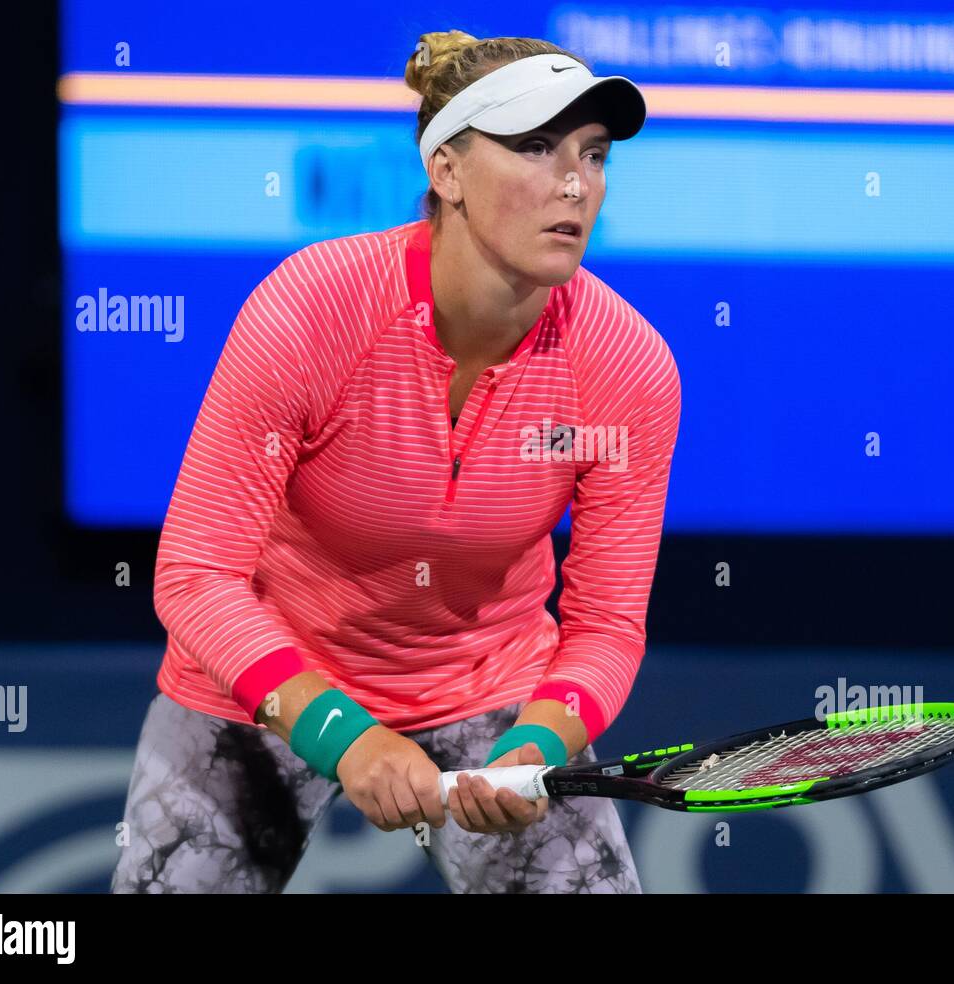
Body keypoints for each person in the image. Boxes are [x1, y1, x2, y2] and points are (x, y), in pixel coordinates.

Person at [110, 30, 681, 894]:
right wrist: (343, 733)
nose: (576, 182)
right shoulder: (311, 311)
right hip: (266, 674)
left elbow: (606, 625)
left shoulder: (627, 366)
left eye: (593, 154)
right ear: (446, 172)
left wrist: (537, 745)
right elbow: (196, 576)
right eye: (534, 146)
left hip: (490, 682)